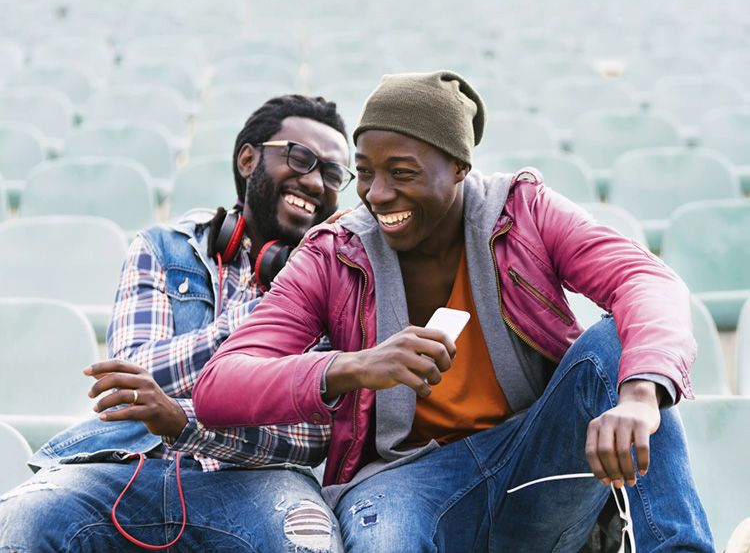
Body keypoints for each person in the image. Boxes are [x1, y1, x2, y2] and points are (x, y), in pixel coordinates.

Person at [192, 71, 715, 552]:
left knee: (618, 345)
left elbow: (645, 279)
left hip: (531, 458)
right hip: (402, 482)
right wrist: (355, 366)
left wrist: (642, 395)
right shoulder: (333, 252)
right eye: (366, 172)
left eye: (402, 173)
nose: (377, 194)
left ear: (460, 167)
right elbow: (218, 386)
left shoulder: (524, 211)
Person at [0, 94, 352, 552]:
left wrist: (178, 418)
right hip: (127, 465)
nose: (314, 181)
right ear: (248, 158)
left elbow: (310, 432)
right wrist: (268, 317)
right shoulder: (164, 247)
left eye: (331, 174)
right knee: (21, 521)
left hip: (259, 483)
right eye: (300, 158)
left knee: (308, 543)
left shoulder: (336, 279)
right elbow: (128, 381)